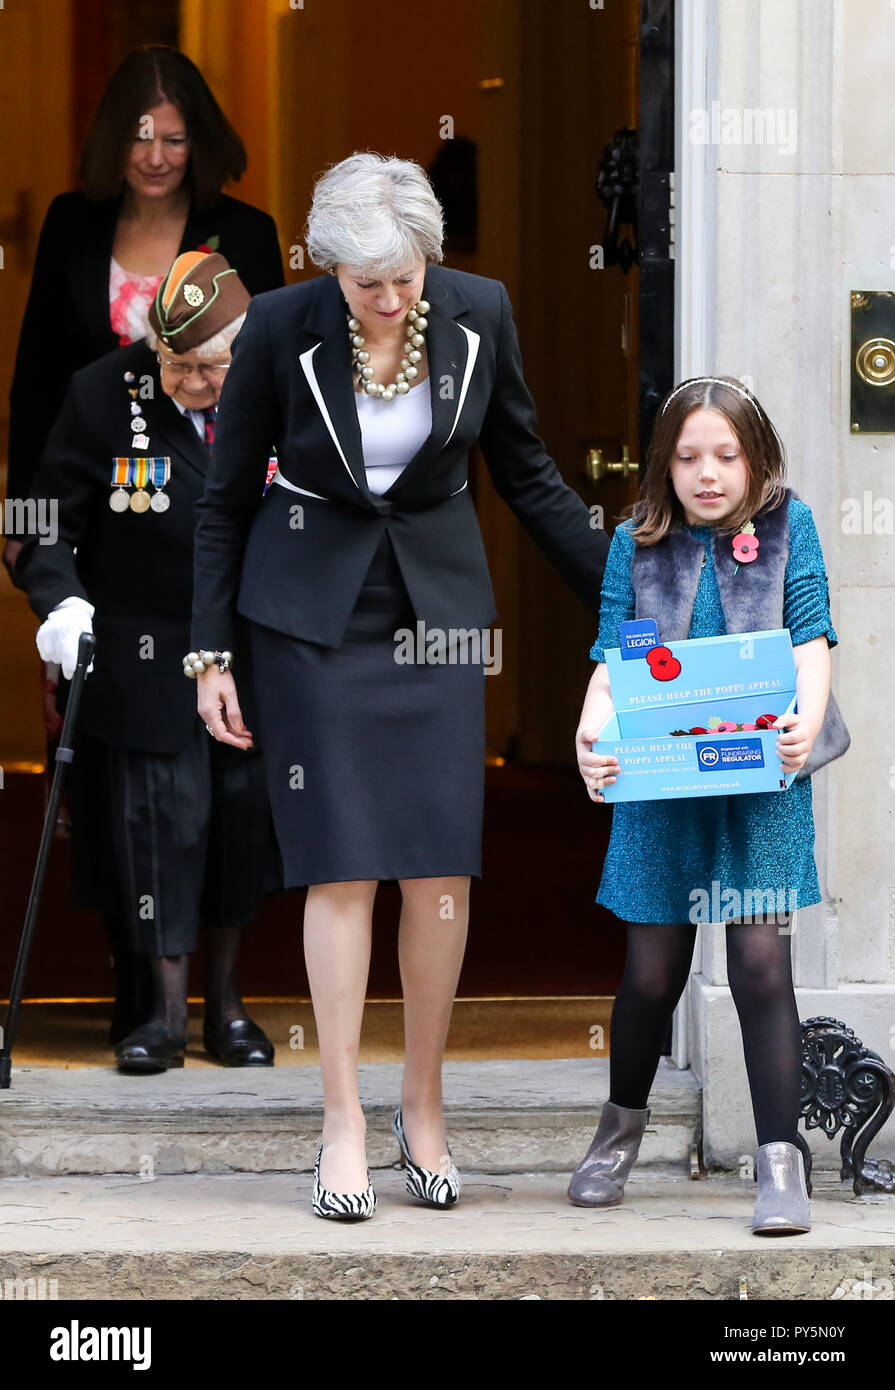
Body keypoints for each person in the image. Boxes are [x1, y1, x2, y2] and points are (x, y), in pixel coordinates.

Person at [189, 152, 609, 1219]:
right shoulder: (281, 326)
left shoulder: (479, 311)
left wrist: (629, 601)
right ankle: (338, 1116)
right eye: (366, 280)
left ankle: (421, 1103)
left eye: (405, 277)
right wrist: (209, 654)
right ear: (328, 264)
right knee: (340, 868)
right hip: (309, 624)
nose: (387, 299)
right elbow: (226, 500)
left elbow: (526, 473)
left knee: (437, 870)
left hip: (437, 621)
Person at [4, 44, 284, 1039]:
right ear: (109, 144)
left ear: (199, 142)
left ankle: (209, 1001)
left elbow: (279, 387)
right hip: (104, 539)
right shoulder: (76, 231)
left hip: (216, 540)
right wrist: (39, 558)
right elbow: (37, 385)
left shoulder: (243, 233)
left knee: (230, 791)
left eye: (174, 138)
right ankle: (144, 992)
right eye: (138, 138)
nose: (157, 156)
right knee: (126, 781)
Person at [571, 375, 847, 1235]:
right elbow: (612, 652)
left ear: (754, 459)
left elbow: (811, 634)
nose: (707, 473)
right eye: (688, 457)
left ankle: (780, 1162)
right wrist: (591, 736)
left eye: (725, 455)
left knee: (761, 966)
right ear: (663, 465)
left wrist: (803, 723)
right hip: (661, 788)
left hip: (760, 787)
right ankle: (616, 1135)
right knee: (650, 973)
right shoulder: (635, 540)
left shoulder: (787, 525)